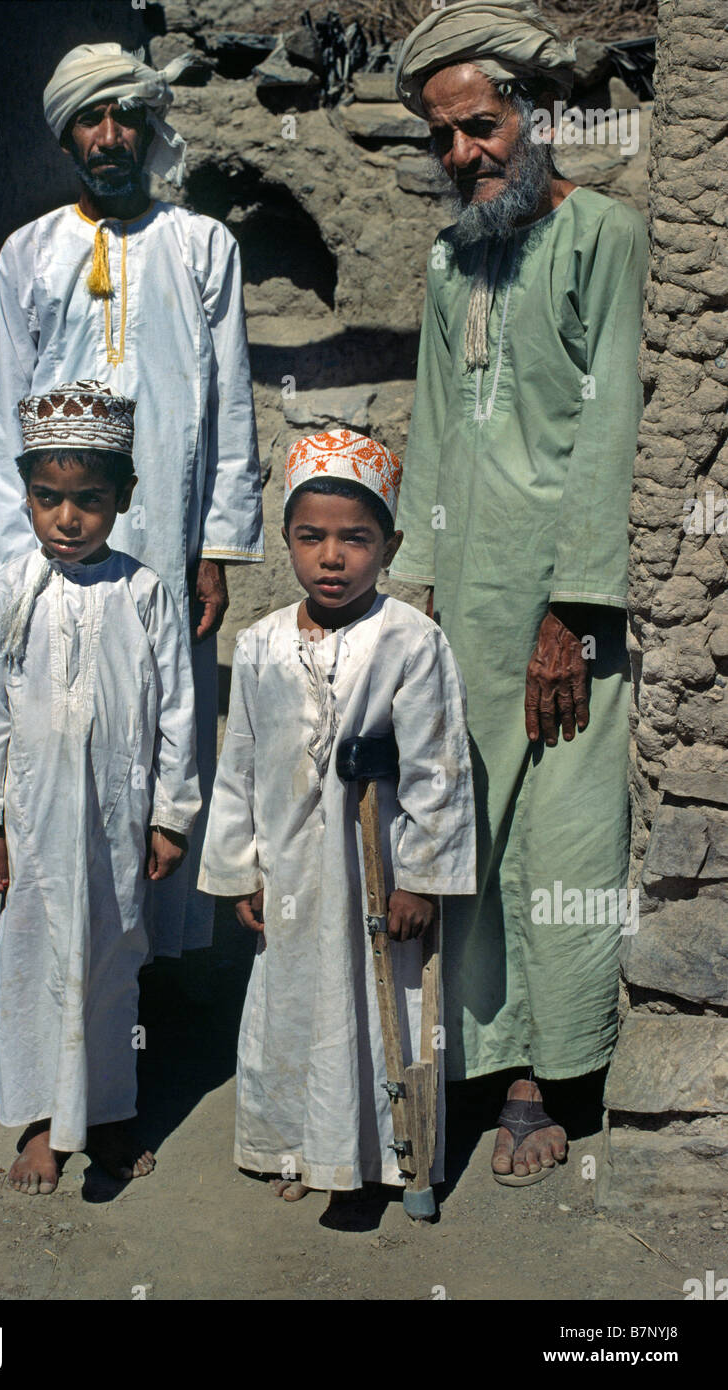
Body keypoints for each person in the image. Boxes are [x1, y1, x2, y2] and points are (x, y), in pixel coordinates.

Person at [392, 0, 648, 1182]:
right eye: (443, 139)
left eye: (481, 128)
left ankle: (546, 1080)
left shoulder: (604, 235)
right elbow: (438, 426)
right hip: (470, 597)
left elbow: (611, 426)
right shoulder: (451, 261)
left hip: (565, 609)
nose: (464, 156)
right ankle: (473, 1064)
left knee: (561, 837)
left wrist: (573, 607)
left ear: (533, 116)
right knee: (467, 833)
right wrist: (414, 593)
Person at [0, 42, 263, 958]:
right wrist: (7, 563)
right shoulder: (29, 252)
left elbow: (229, 399)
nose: (109, 135)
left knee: (164, 713)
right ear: (66, 138)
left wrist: (215, 543)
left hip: (169, 528)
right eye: (89, 120)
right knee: (65, 723)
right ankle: (75, 947)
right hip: (59, 539)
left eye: (123, 116)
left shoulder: (202, 244)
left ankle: (159, 948)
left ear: (148, 125)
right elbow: (2, 410)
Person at [198, 429, 476, 1206]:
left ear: (387, 546)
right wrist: (239, 867)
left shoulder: (412, 641)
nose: (330, 557)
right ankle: (301, 1149)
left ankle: (383, 1155)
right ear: (286, 540)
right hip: (290, 866)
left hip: (377, 870)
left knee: (381, 1006)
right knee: (294, 1004)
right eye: (309, 537)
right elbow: (240, 764)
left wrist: (420, 878)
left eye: (354, 539)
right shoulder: (257, 645)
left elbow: (437, 768)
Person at [0, 381, 200, 1194]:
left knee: (113, 953)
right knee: (31, 955)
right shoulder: (4, 597)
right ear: (25, 497)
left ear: (123, 498)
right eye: (48, 499)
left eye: (89, 500)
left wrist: (169, 815)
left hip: (116, 820)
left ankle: (109, 1111)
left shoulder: (146, 594)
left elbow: (176, 715)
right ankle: (38, 1121)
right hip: (33, 819)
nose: (67, 518)